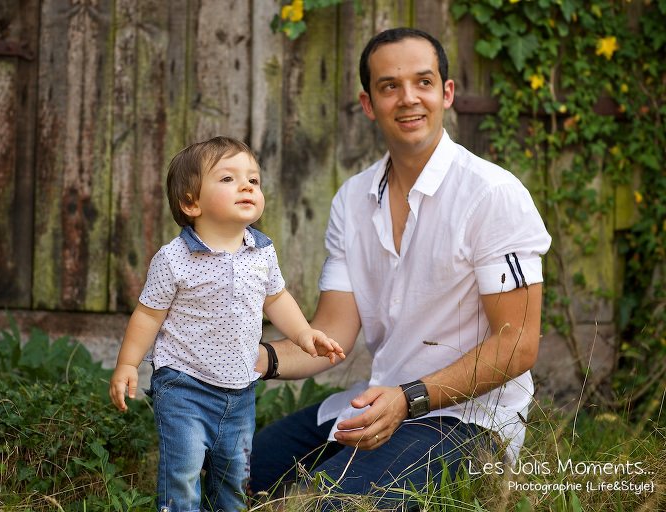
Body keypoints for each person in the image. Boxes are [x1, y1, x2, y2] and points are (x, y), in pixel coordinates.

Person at [249, 27, 552, 509]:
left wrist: (409, 398)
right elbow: (332, 335)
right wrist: (247, 360)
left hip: (470, 421)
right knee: (229, 475)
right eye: (390, 86)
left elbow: (517, 345)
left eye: (423, 82)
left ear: (446, 93)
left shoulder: (492, 194)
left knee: (332, 504)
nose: (408, 98)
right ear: (369, 103)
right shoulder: (352, 200)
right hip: (376, 402)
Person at [108, 136, 345, 512]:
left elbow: (277, 299)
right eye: (228, 178)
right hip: (183, 384)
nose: (247, 185)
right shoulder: (174, 259)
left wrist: (304, 334)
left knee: (234, 477)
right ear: (191, 202)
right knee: (182, 472)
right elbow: (148, 314)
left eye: (253, 179)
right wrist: (127, 364)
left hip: (239, 389)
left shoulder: (261, 252)